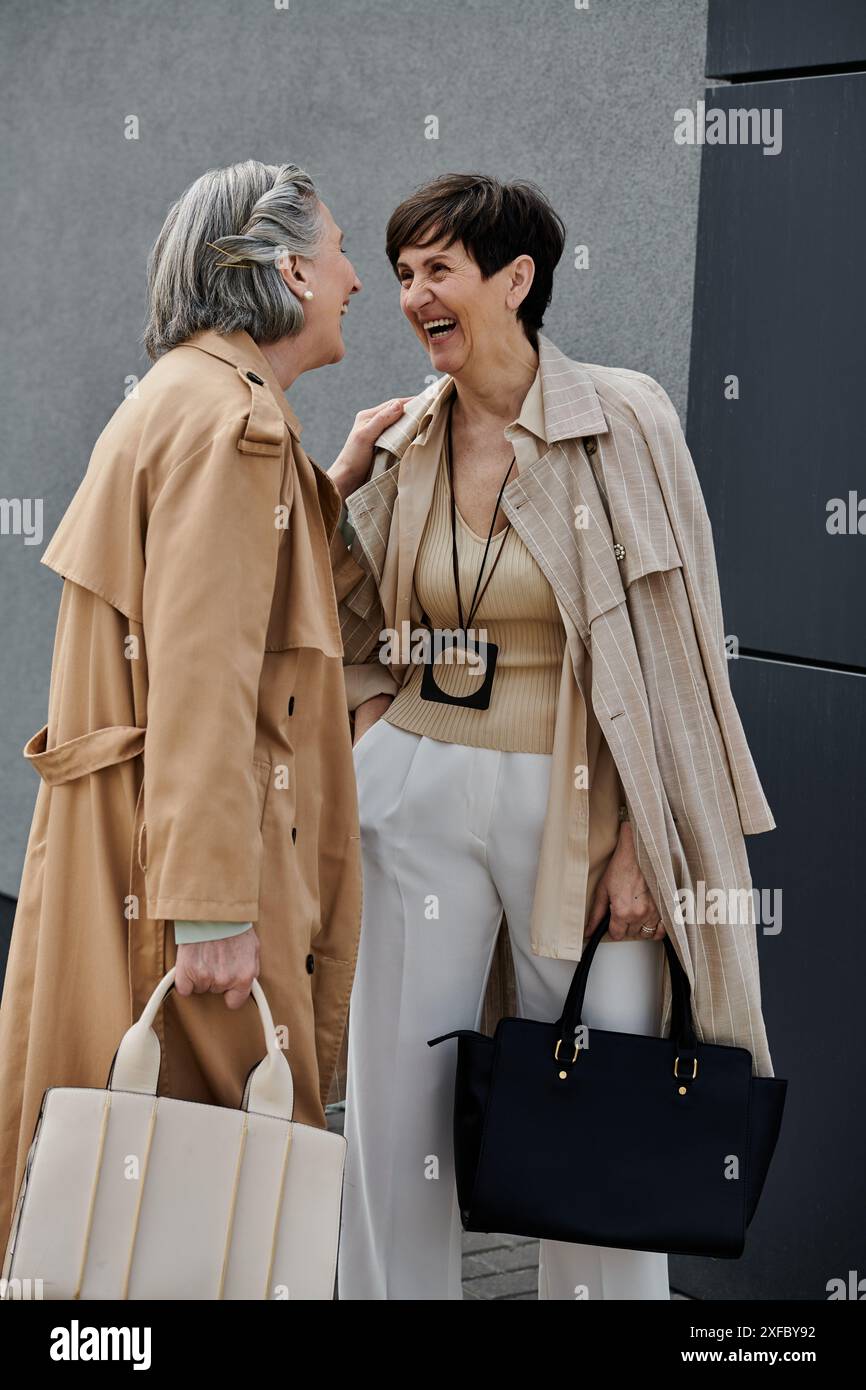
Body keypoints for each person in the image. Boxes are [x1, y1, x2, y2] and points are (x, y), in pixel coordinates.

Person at [332, 173, 777, 1300]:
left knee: (606, 1091)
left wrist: (643, 841)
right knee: (395, 1092)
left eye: (437, 269)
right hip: (417, 792)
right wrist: (376, 734)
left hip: (579, 803)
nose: (411, 296)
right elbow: (336, 607)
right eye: (399, 276)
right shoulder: (403, 439)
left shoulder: (619, 418)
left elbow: (679, 646)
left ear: (514, 279)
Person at [0, 159, 405, 1252]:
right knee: (201, 1199)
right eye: (337, 253)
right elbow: (199, 671)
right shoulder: (235, 426)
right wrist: (215, 906)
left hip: (128, 855)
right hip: (187, 882)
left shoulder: (192, 396)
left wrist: (332, 481)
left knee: (111, 1197)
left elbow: (217, 598)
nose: (355, 280)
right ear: (286, 270)